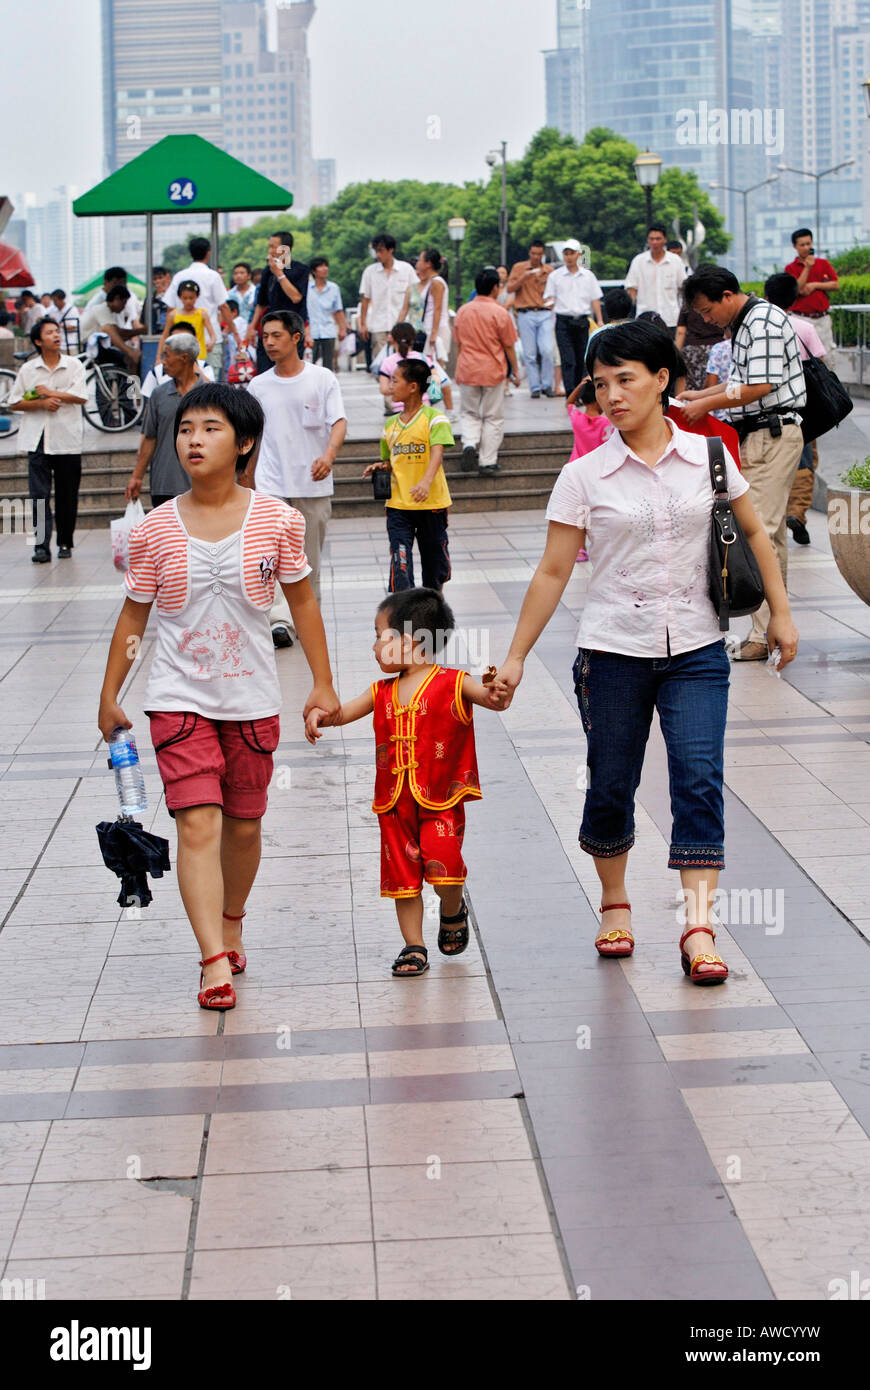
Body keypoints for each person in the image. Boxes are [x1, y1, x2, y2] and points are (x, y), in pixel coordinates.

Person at [489, 319, 799, 983]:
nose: (612, 395)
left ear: (663, 380)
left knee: (698, 781)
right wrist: (516, 656)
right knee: (610, 785)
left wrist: (783, 614)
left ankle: (697, 925)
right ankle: (614, 903)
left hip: (696, 648)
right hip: (612, 651)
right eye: (601, 384)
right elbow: (552, 570)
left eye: (625, 380)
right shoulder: (584, 475)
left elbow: (756, 532)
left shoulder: (709, 457)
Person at [97, 382, 340, 1012]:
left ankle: (232, 919)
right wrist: (110, 692)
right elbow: (133, 621)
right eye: (186, 429)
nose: (193, 440)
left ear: (245, 443)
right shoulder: (155, 529)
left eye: (209, 429)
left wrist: (322, 681)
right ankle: (211, 958)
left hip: (253, 699)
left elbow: (303, 602)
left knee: (244, 825)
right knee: (196, 823)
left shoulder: (278, 520)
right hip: (177, 698)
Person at [305, 587, 506, 975]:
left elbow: (489, 698)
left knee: (443, 861)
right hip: (394, 803)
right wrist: (321, 714)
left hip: (440, 800)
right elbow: (343, 713)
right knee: (403, 876)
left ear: (410, 640)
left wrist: (496, 691)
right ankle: (413, 945)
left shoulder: (454, 682)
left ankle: (452, 906)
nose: (374, 647)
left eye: (379, 637)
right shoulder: (381, 690)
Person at [678, 265, 807, 661]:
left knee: (760, 533)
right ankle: (771, 627)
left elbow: (760, 386)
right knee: (771, 534)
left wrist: (705, 403)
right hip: (762, 434)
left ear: (727, 296)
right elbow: (740, 380)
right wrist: (701, 394)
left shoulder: (762, 320)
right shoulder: (749, 322)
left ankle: (761, 633)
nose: (707, 320)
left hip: (772, 434)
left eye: (706, 311)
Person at [244, 309, 347, 641]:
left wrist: (329, 455)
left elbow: (339, 422)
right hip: (270, 483)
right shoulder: (258, 385)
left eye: (276, 336)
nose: (270, 343)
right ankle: (279, 621)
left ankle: (307, 619)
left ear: (296, 337)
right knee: (271, 553)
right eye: (265, 337)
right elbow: (252, 435)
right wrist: (247, 475)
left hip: (312, 483)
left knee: (308, 558)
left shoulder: (322, 379)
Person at [363, 358, 454, 592]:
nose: (390, 386)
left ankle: (433, 618)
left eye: (395, 380)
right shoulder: (390, 425)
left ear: (413, 386)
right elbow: (391, 461)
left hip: (431, 504)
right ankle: (407, 621)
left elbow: (437, 454)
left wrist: (425, 482)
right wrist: (381, 467)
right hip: (399, 506)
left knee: (434, 571)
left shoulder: (435, 418)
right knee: (400, 567)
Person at [6, 317, 87, 562]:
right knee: (39, 496)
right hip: (37, 439)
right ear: (39, 341)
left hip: (67, 439)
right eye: (50, 332)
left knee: (67, 494)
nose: (57, 335)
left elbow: (81, 396)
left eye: (57, 331)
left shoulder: (74, 365)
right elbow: (14, 401)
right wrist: (41, 403)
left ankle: (65, 543)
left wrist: (51, 393)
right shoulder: (29, 369)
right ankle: (41, 547)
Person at [764, 272, 827, 547]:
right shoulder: (804, 328)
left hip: (766, 410)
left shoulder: (763, 328)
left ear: (766, 298)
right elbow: (821, 364)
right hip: (803, 407)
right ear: (794, 297)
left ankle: (776, 516)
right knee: (804, 460)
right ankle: (798, 513)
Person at [453, 266, 520, 475]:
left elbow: (459, 344)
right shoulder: (500, 313)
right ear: (494, 288)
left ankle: (470, 444)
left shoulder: (463, 311)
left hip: (467, 369)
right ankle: (487, 461)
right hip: (492, 370)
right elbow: (509, 345)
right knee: (492, 417)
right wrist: (515, 371)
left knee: (469, 412)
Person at [126, 332, 203, 509]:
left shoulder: (208, 394)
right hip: (164, 484)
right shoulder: (159, 394)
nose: (163, 361)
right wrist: (137, 477)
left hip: (201, 484)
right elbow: (149, 438)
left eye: (166, 355)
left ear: (184, 358)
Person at [164, 238, 239, 382]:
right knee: (212, 382)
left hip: (182, 341)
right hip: (210, 341)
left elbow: (170, 308)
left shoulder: (179, 276)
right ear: (208, 253)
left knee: (183, 380)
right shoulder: (213, 276)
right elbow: (223, 306)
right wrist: (235, 334)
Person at [543, 240, 603, 398]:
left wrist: (600, 319)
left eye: (572, 253)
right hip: (563, 321)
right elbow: (549, 297)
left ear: (578, 255)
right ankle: (570, 392)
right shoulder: (555, 276)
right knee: (568, 358)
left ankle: (580, 390)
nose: (569, 257)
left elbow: (595, 299)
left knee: (581, 357)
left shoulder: (588, 276)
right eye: (566, 254)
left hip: (582, 320)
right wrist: (550, 304)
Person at [246, 231, 311, 375]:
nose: (270, 251)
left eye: (273, 247)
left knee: (290, 370)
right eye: (269, 247)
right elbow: (261, 303)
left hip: (291, 328)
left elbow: (296, 297)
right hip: (269, 327)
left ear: (285, 249)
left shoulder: (300, 270)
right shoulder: (267, 272)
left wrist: (280, 274)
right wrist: (251, 327)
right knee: (265, 370)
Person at [506, 239, 556, 398]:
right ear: (529, 253)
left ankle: (547, 384)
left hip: (545, 312)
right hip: (525, 312)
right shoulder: (519, 268)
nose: (536, 257)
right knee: (529, 353)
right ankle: (534, 387)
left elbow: (555, 292)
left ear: (543, 254)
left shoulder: (549, 271)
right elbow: (509, 288)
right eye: (533, 253)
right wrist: (524, 277)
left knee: (547, 350)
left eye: (539, 254)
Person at [359, 234, 418, 360]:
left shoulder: (406, 269)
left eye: (381, 250)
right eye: (376, 251)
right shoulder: (370, 272)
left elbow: (416, 296)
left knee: (405, 361)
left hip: (403, 324)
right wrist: (363, 324)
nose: (378, 254)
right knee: (382, 363)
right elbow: (365, 299)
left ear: (391, 250)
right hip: (378, 324)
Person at [784, 228, 839, 360]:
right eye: (802, 245)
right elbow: (797, 290)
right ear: (795, 246)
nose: (806, 247)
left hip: (823, 318)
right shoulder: (790, 268)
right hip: (802, 317)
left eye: (808, 244)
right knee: (804, 355)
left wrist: (815, 285)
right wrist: (807, 268)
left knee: (827, 354)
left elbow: (835, 284)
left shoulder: (823, 264)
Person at [378, 322, 451, 414]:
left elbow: (384, 389)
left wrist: (400, 387)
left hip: (399, 411)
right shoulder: (424, 359)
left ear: (392, 339)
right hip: (424, 408)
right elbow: (435, 379)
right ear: (413, 340)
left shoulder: (387, 362)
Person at [625, 225, 685, 332]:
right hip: (645, 321)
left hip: (670, 320)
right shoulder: (638, 261)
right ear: (648, 240)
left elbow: (683, 289)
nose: (654, 242)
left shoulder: (675, 261)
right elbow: (631, 289)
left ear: (665, 240)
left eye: (658, 239)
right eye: (651, 239)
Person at [404, 248, 451, 370]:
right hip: (429, 328)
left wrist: (434, 334)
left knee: (436, 369)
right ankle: (434, 389)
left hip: (437, 329)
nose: (418, 263)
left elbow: (437, 308)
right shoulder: (430, 282)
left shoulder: (437, 282)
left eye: (420, 260)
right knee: (429, 368)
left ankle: (439, 389)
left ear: (428, 263)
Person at [81, 284, 145, 368]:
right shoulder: (102, 309)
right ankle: (130, 380)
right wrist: (130, 351)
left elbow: (119, 333)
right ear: (117, 299)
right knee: (126, 358)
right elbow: (114, 333)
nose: (124, 307)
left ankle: (129, 379)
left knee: (126, 357)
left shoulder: (107, 311)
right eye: (124, 303)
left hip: (98, 345)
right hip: (91, 347)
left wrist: (141, 331)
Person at [157, 280, 215, 364]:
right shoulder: (173, 315)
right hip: (178, 357)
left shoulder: (202, 314)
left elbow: (212, 334)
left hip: (198, 356)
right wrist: (158, 357)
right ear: (180, 297)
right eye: (185, 298)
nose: (188, 301)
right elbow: (164, 336)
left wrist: (211, 342)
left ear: (197, 296)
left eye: (191, 298)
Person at [307, 256, 347, 371]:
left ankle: (328, 386)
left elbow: (338, 310)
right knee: (310, 362)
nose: (324, 269)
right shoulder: (307, 288)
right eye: (321, 266)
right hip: (312, 331)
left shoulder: (333, 288)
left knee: (328, 364)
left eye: (326, 266)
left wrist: (342, 328)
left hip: (328, 330)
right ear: (314, 271)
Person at [676, 298, 724, 390]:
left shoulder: (690, 299)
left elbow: (681, 331)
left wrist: (677, 356)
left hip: (692, 350)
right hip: (717, 347)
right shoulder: (718, 298)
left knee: (687, 383)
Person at [47, 289, 81, 354]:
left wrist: (57, 324)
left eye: (56, 301)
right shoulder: (52, 310)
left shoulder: (72, 310)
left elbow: (73, 326)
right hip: (57, 344)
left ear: (62, 299)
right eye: (53, 301)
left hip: (70, 344)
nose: (54, 303)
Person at [230, 263, 257, 327]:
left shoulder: (255, 292)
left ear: (249, 276)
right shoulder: (229, 295)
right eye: (235, 273)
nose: (238, 276)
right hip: (234, 329)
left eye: (242, 273)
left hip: (252, 328)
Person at [150, 267, 172, 335]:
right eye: (155, 279)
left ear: (167, 278)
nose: (157, 281)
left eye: (160, 278)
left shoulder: (174, 297)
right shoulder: (149, 300)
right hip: (154, 335)